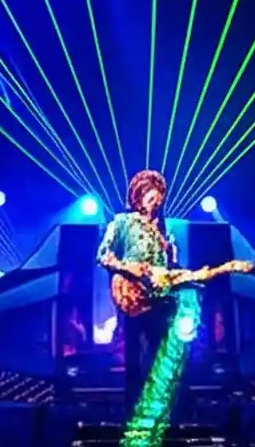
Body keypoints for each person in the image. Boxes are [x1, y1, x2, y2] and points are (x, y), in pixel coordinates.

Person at [95, 169, 177, 413]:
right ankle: (132, 406)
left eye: (159, 199)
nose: (156, 203)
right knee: (133, 354)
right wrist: (126, 267)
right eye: (151, 197)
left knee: (160, 353)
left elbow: (169, 266)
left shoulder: (164, 231)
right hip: (132, 297)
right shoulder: (122, 222)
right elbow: (103, 255)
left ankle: (160, 406)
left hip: (160, 298)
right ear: (139, 197)